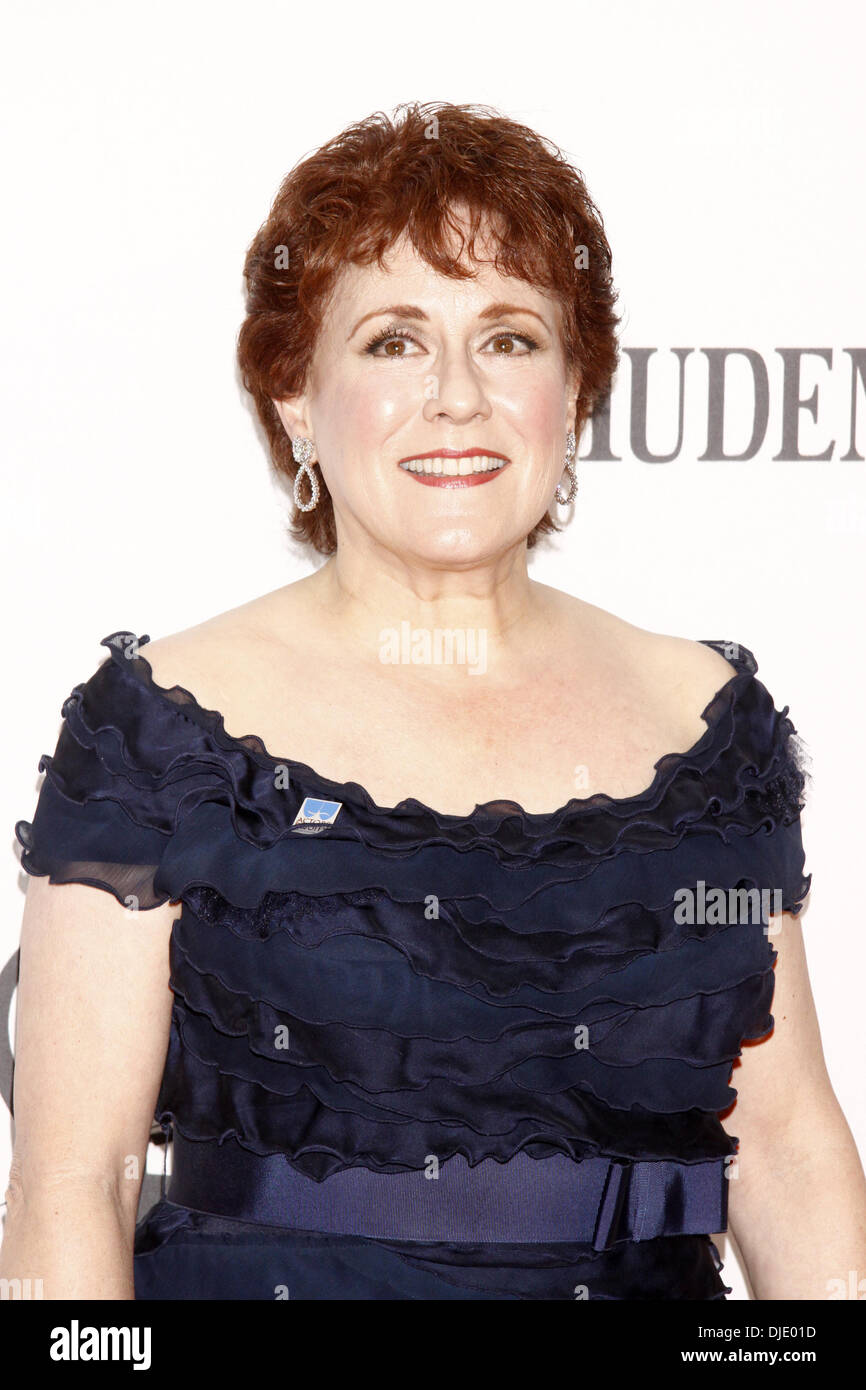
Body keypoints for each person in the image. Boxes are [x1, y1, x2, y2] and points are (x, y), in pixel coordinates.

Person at [3, 101, 865, 1301]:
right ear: (297, 400)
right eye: (393, 341)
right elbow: (69, 1186)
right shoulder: (158, 729)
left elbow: (783, 1155)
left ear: (573, 393)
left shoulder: (708, 725)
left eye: (508, 338)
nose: (455, 396)